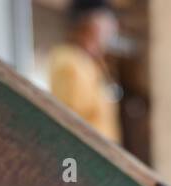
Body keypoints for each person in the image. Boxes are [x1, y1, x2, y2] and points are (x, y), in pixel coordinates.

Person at [48, 0, 121, 142]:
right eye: (107, 20)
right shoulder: (68, 62)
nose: (112, 28)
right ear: (89, 23)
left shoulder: (93, 64)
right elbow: (71, 123)